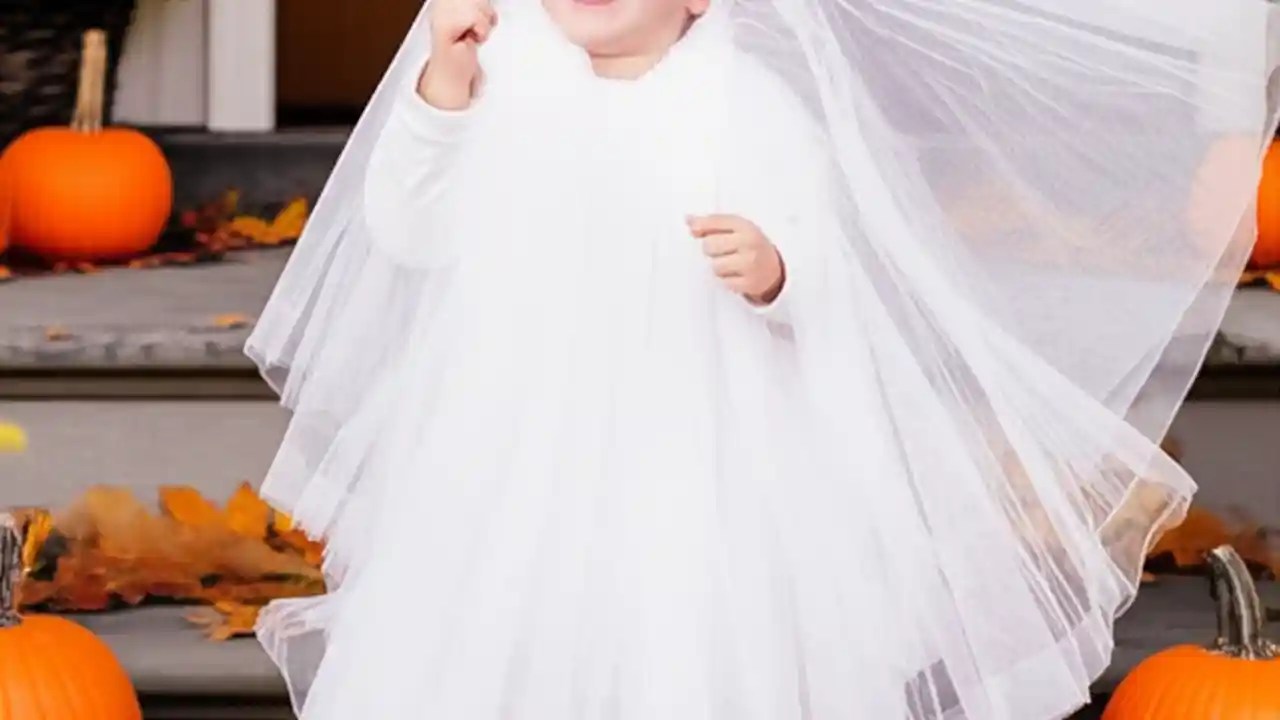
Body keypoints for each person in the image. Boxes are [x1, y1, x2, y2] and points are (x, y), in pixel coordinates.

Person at [246, 0, 1280, 717]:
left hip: (693, 455)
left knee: (681, 645)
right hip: (518, 449)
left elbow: (826, 276)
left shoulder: (747, 105)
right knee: (505, 640)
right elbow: (410, 226)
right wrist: (446, 81)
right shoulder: (501, 90)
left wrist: (779, 272)